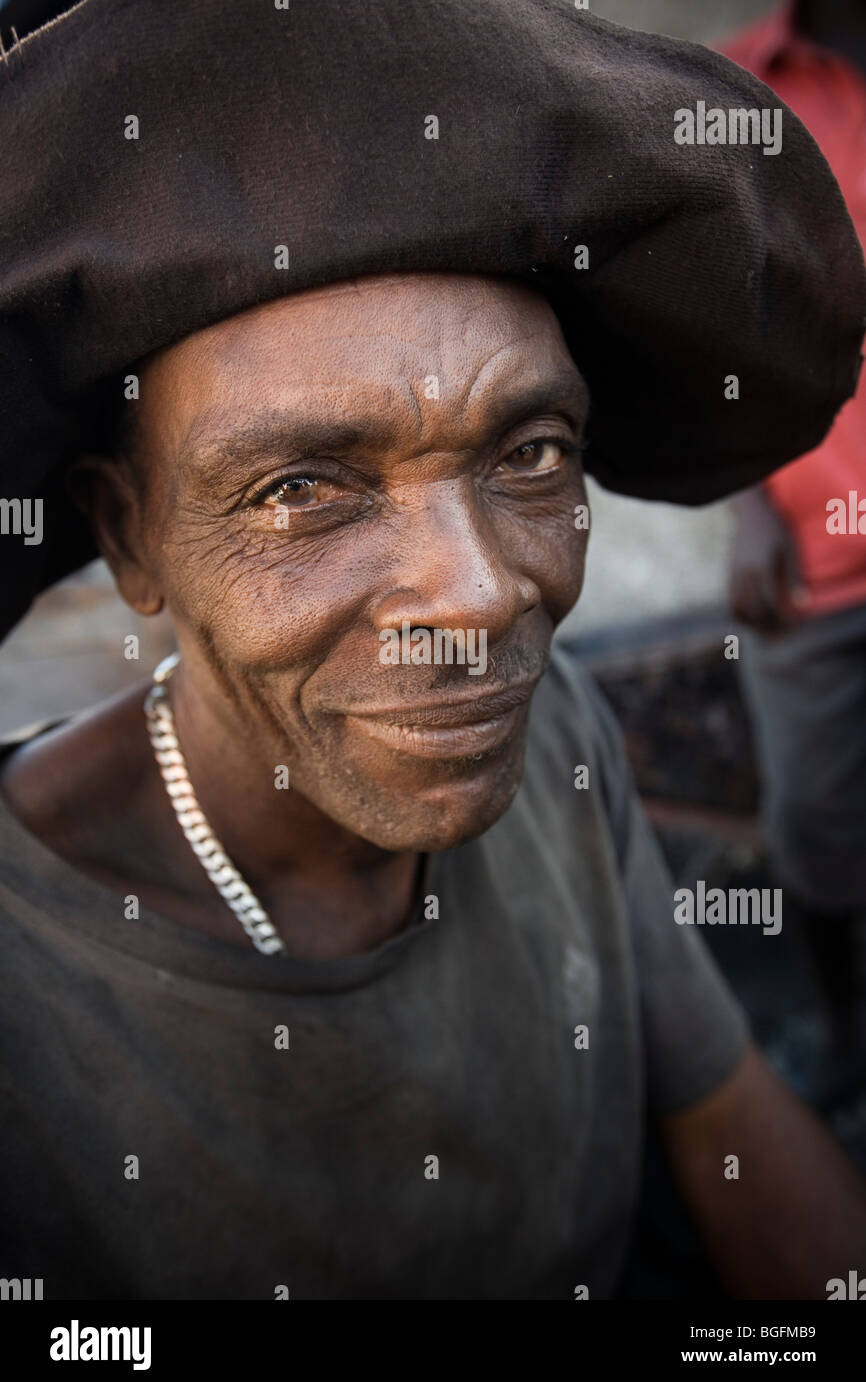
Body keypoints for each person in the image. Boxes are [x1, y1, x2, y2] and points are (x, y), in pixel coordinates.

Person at [1, 0, 865, 1301]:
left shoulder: (560, 736)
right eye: (302, 488)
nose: (475, 595)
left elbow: (731, 1124)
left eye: (529, 454)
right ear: (130, 536)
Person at [723, 0, 866, 1048]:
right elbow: (714, 324)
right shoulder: (734, 98)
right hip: (817, 552)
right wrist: (742, 505)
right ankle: (838, 1035)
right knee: (816, 827)